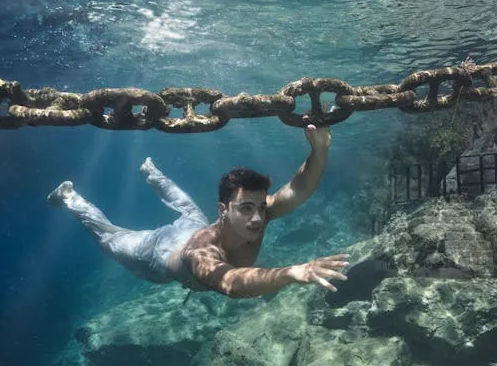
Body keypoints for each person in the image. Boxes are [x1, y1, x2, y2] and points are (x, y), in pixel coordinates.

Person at [48, 124, 349, 298]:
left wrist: (319, 149)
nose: (258, 217)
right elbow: (230, 283)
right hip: (156, 253)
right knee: (109, 238)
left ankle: (151, 172)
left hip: (195, 226)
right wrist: (293, 272)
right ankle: (70, 198)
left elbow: (297, 189)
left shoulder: (256, 213)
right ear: (224, 210)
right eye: (246, 208)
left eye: (260, 206)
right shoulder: (201, 254)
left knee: (186, 207)